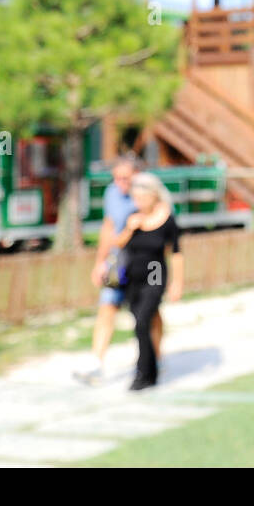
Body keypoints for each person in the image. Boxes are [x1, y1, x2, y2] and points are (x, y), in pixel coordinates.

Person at [74, 157, 162, 384]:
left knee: (150, 311)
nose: (121, 182)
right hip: (119, 261)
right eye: (117, 177)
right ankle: (97, 362)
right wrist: (100, 261)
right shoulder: (112, 193)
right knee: (108, 305)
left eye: (126, 177)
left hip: (145, 263)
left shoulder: (147, 194)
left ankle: (156, 357)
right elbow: (109, 227)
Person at [112, 172, 184, 390]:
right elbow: (118, 243)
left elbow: (176, 253)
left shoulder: (167, 220)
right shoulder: (133, 217)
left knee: (143, 321)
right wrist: (130, 227)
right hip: (133, 276)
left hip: (154, 272)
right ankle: (151, 370)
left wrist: (177, 282)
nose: (138, 202)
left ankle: (142, 373)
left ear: (153, 196)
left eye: (142, 197)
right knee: (138, 322)